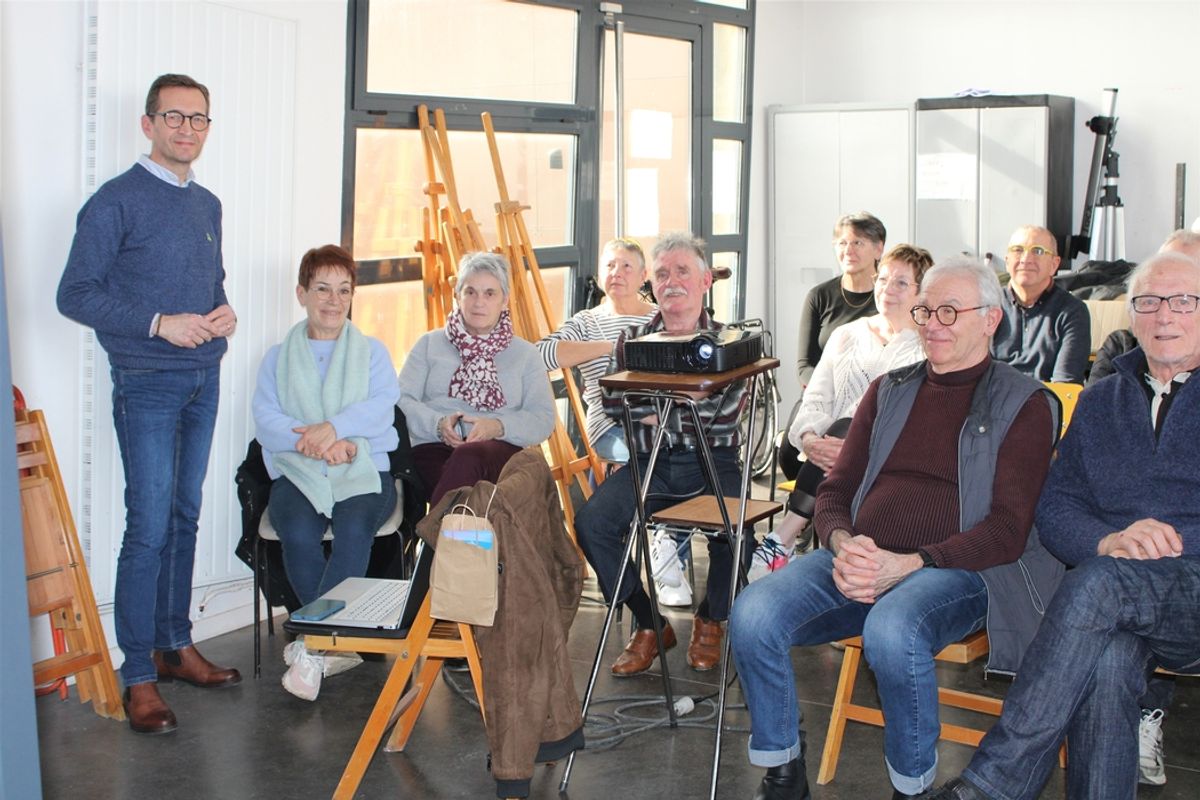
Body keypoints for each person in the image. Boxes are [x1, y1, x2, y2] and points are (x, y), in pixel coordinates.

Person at [730, 256, 1061, 800]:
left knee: (891, 628)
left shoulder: (1023, 404)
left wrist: (909, 564)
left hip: (961, 569)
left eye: (950, 311)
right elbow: (834, 489)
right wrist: (843, 543)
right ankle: (783, 767)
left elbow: (1006, 530)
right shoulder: (888, 390)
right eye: (927, 309)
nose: (933, 322)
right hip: (863, 558)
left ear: (990, 320)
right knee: (754, 612)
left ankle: (914, 788)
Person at [927, 250, 1200, 800]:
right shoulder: (1104, 399)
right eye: (1147, 301)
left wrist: (1166, 542)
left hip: (1189, 589)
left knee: (1097, 582)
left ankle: (996, 782)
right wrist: (1108, 539)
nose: (1163, 315)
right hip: (1117, 595)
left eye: (1183, 301)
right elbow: (1054, 506)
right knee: (1106, 657)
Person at [56, 73, 240, 735]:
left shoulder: (208, 203)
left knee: (185, 516)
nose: (186, 129)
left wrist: (223, 313)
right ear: (148, 124)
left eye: (198, 119)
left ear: (207, 128)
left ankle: (174, 644)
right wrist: (159, 322)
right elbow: (74, 295)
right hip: (149, 386)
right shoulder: (115, 202)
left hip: (203, 380)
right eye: (173, 117)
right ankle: (138, 673)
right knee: (149, 527)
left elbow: (209, 281)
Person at [574, 232, 750, 676]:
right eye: (663, 273)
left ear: (706, 279)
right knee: (592, 524)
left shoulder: (731, 342)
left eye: (683, 271)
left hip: (716, 462)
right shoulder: (632, 338)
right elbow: (613, 402)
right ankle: (650, 623)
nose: (672, 281)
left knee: (738, 530)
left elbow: (720, 418)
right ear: (651, 283)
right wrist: (679, 404)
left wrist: (651, 406)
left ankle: (711, 617)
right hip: (651, 464)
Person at [252, 244, 400, 700]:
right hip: (299, 469)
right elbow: (266, 419)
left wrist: (337, 432)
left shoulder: (372, 352)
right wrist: (317, 444)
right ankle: (330, 645)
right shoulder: (278, 357)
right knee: (296, 530)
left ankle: (312, 646)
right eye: (322, 289)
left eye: (343, 290)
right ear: (302, 293)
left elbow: (380, 410)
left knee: (354, 532)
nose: (333, 301)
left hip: (362, 467)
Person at [748, 245, 931, 580]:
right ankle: (787, 540)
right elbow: (815, 399)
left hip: (890, 456)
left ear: (922, 293)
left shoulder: (927, 345)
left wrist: (853, 446)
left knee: (851, 426)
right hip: (830, 453)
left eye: (901, 283)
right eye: (884, 279)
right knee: (842, 429)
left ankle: (783, 537)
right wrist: (809, 439)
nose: (887, 289)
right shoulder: (847, 335)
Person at [399, 252, 555, 508]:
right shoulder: (429, 344)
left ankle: (437, 540)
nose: (478, 302)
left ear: (504, 301)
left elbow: (543, 420)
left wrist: (497, 426)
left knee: (467, 457)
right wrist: (438, 424)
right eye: (470, 292)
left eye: (489, 293)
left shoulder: (526, 354)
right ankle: (453, 541)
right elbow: (401, 401)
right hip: (433, 445)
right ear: (457, 296)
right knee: (469, 498)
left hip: (499, 451)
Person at [536, 237, 655, 464]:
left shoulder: (659, 318)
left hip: (660, 420)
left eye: (626, 266)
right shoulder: (587, 322)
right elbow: (540, 354)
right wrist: (611, 347)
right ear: (600, 275)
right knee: (648, 460)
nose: (616, 273)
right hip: (610, 427)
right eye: (610, 266)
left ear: (643, 276)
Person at [992, 225, 1091, 383]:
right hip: (992, 402)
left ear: (1054, 264)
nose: (1026, 259)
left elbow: (1065, 384)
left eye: (1037, 251)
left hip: (1045, 403)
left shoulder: (1072, 311)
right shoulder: (988, 305)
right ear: (1007, 261)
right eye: (1018, 250)